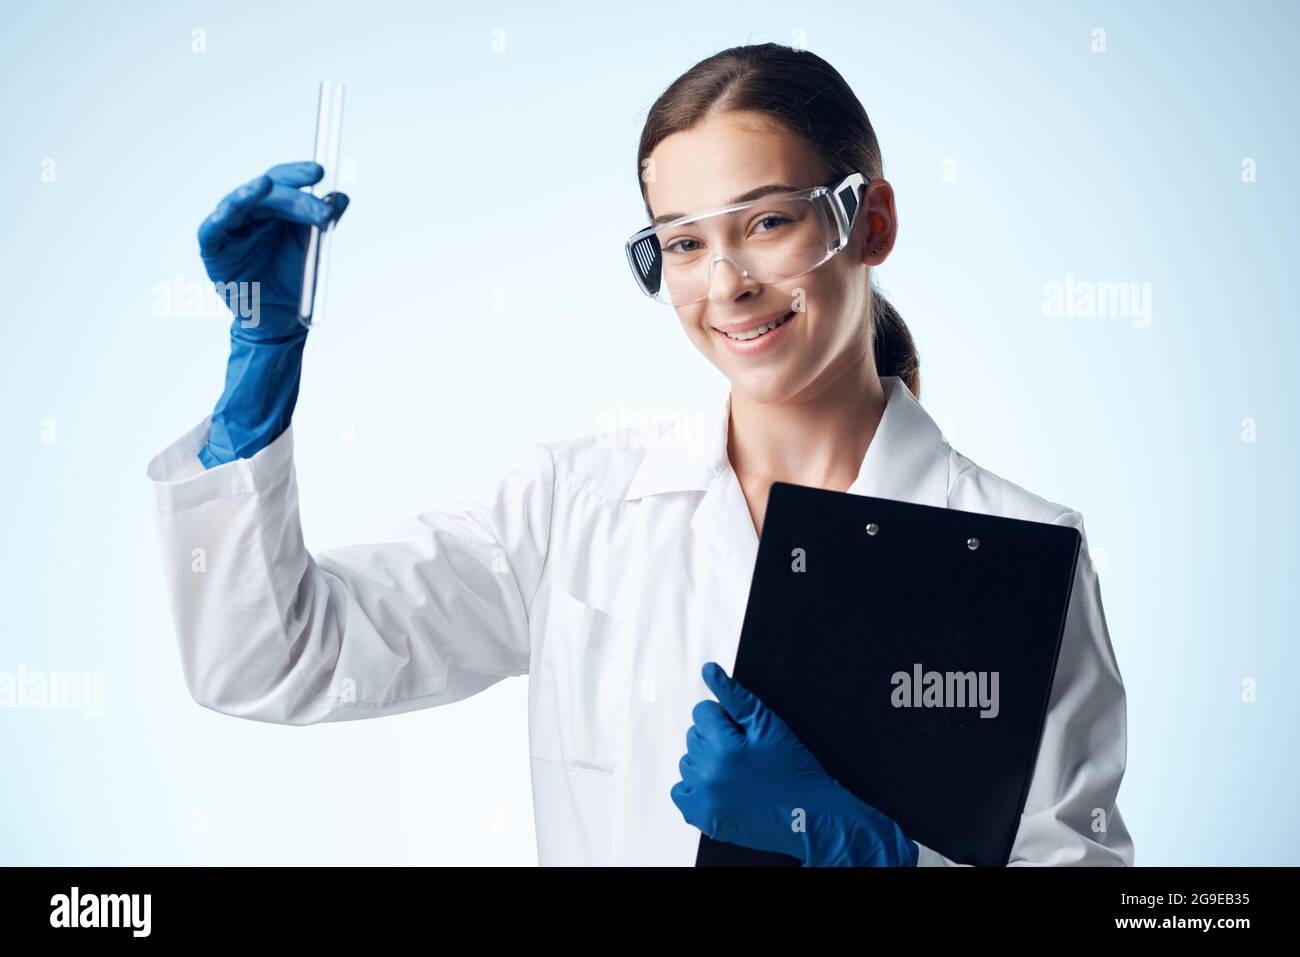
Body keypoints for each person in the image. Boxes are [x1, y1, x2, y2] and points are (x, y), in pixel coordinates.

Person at [146, 42, 1133, 866]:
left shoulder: (1015, 551)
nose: (727, 284)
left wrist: (860, 849)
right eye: (683, 244)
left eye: (768, 222)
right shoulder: (574, 508)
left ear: (868, 222)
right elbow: (276, 660)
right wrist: (254, 382)